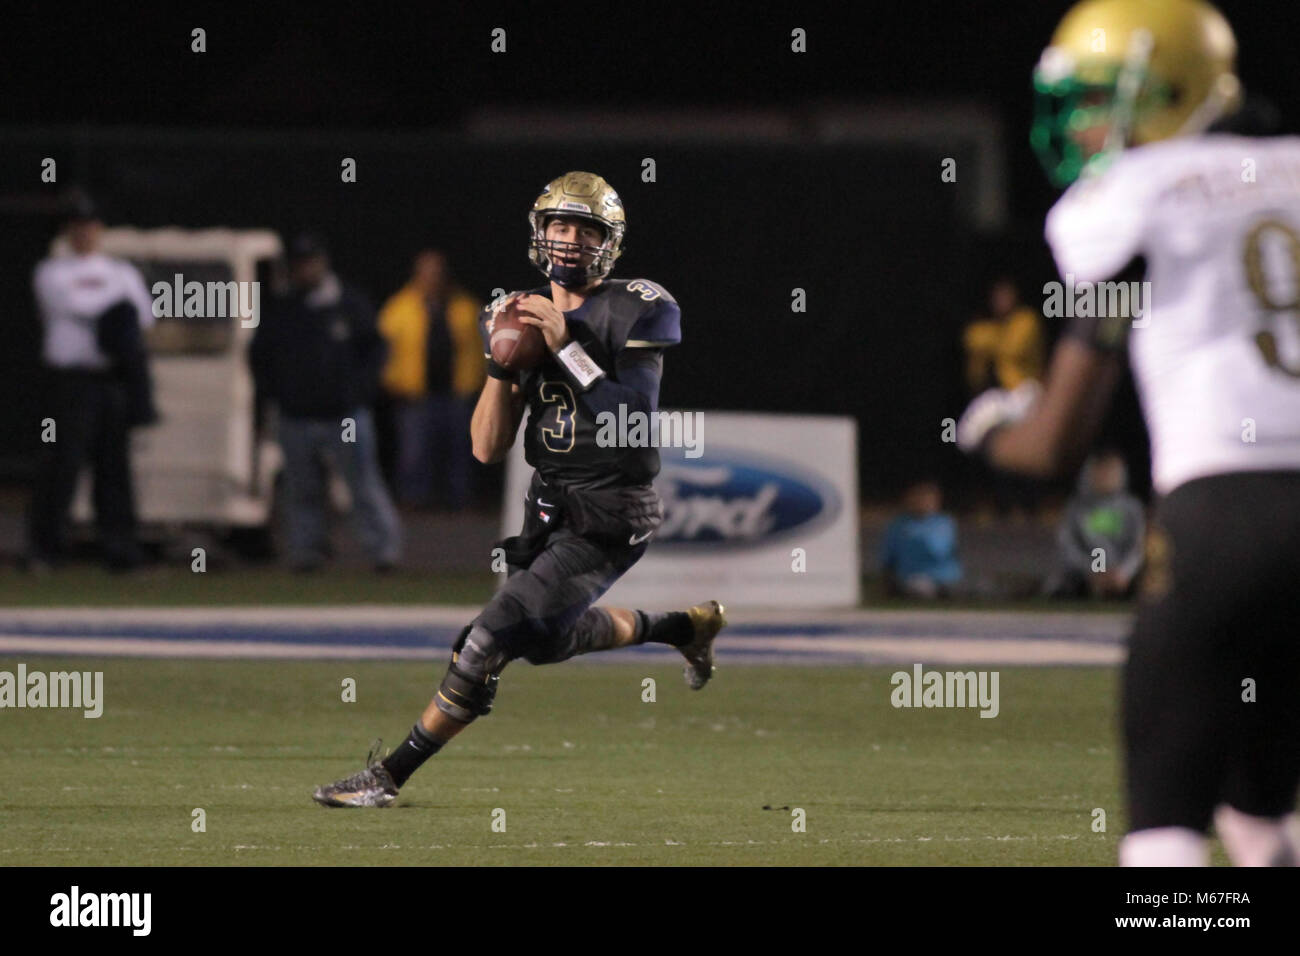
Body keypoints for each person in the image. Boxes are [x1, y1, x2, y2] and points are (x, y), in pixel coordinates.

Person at [958, 0, 1300, 866]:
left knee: (1166, 832)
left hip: (1225, 518)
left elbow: (1053, 446)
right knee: (1264, 817)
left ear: (1170, 89)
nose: (1083, 123)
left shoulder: (1131, 200)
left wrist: (991, 426)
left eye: (1099, 98)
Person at [312, 171, 726, 807]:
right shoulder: (511, 312)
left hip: (613, 508)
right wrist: (500, 370)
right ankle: (683, 627)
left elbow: (634, 425)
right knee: (544, 638)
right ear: (539, 232)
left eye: (585, 228)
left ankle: (387, 777)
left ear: (608, 242)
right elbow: (485, 446)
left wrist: (568, 351)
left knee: (489, 634)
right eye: (559, 225)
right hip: (550, 501)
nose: (568, 239)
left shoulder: (637, 306)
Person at [249, 233, 401, 572]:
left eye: (310, 262)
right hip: (297, 415)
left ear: (322, 262)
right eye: (299, 264)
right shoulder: (284, 308)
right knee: (301, 488)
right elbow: (260, 357)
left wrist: (359, 392)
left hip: (345, 415)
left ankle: (383, 552)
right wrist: (278, 394)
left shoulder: (350, 303)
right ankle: (307, 553)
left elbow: (375, 351)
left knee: (361, 482)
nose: (305, 270)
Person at [27, 191, 157, 572]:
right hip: (70, 383)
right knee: (61, 463)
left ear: (99, 229)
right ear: (69, 232)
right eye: (77, 227)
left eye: (90, 226)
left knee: (114, 468)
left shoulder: (121, 271)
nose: (84, 234)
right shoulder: (52, 271)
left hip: (111, 380)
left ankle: (120, 551)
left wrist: (115, 309)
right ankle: (46, 550)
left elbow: (143, 318)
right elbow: (80, 307)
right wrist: (115, 307)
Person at [378, 250, 485, 510]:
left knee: (460, 450)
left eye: (437, 272)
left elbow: (485, 348)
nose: (432, 278)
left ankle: (459, 499)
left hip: (457, 393)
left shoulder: (466, 307)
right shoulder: (399, 308)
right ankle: (414, 499)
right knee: (414, 452)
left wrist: (482, 383)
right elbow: (383, 350)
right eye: (427, 272)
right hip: (415, 395)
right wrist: (392, 382)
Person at [1044, 450, 1145, 599]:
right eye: (1101, 472)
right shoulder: (1078, 507)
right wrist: (1092, 571)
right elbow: (1068, 544)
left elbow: (1138, 545)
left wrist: (1123, 572)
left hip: (1123, 576)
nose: (1106, 477)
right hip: (1084, 576)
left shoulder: (1131, 508)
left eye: (1111, 472)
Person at [879, 479, 964, 598]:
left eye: (927, 499)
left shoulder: (943, 523)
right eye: (918, 498)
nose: (922, 502)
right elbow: (888, 556)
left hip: (942, 577)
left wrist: (916, 535)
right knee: (918, 587)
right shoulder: (899, 525)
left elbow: (939, 551)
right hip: (910, 577)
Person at [963, 277, 1045, 394]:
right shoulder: (993, 327)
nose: (1002, 301)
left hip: (1029, 388)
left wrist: (988, 342)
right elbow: (970, 340)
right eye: (998, 297)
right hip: (1003, 394)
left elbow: (1013, 349)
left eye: (1006, 295)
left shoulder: (1027, 319)